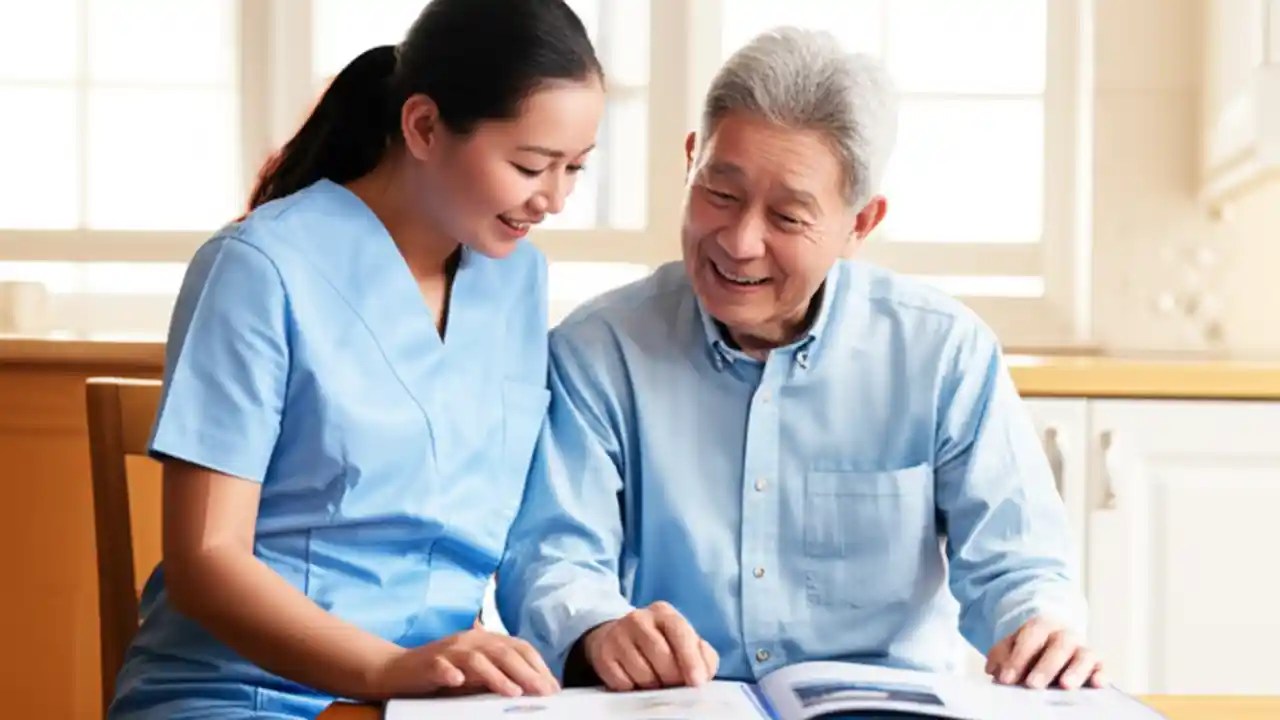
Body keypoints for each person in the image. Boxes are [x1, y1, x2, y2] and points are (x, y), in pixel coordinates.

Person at [498, 27, 1105, 695]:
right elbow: (553, 559)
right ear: (692, 160)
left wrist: (1040, 626)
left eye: (788, 217)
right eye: (720, 194)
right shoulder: (599, 351)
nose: (740, 241)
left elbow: (1021, 566)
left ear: (860, 223)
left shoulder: (943, 355)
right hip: (674, 706)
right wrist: (599, 629)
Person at [107, 1, 605, 718]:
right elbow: (207, 560)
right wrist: (388, 668)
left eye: (575, 168)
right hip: (241, 692)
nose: (554, 199)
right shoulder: (258, 267)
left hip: (432, 700)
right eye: (530, 165)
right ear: (424, 126)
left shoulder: (517, 278)